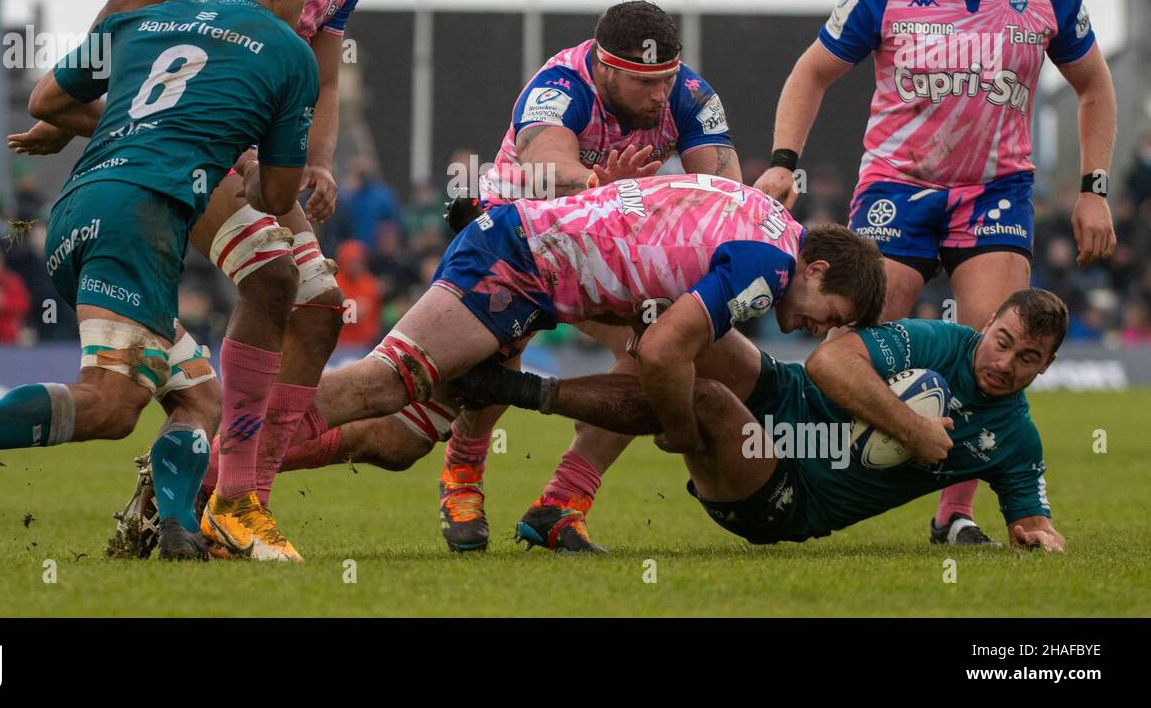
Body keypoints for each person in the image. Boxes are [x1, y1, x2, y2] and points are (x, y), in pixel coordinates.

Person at [7, 0, 398, 533]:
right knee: (279, 283)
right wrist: (83, 101)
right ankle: (230, 502)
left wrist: (317, 158)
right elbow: (129, 6)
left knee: (320, 309)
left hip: (244, 151)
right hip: (187, 147)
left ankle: (225, 494)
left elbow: (328, 81)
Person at [0, 0, 319, 562]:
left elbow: (46, 99)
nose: (305, 6)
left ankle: (174, 529)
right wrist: (249, 168)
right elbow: (279, 200)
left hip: (75, 210)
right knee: (112, 405)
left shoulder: (143, 21)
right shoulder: (290, 53)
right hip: (139, 222)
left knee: (200, 396)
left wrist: (125, 127)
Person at [752, 0, 1116, 545]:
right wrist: (782, 163)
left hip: (996, 189)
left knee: (994, 350)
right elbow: (812, 70)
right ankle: (801, 471)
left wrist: (1094, 188)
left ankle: (955, 512)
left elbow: (1095, 86)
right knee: (853, 338)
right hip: (897, 186)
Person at [242, 175, 885, 558]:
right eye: (834, 312)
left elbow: (655, 333)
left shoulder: (764, 220)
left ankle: (556, 507)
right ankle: (221, 472)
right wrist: (683, 436)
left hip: (538, 269)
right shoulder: (770, 269)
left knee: (396, 439)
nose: (821, 328)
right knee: (383, 385)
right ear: (818, 269)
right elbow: (666, 350)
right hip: (517, 260)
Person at [434, 0, 741, 552]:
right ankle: (461, 475)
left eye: (667, 80)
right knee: (482, 376)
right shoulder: (558, 86)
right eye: (644, 84)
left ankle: (561, 503)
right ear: (604, 68)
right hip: (522, 239)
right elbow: (545, 166)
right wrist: (600, 183)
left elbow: (727, 192)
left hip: (606, 249)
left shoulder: (691, 96)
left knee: (657, 351)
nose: (660, 96)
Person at [462, 289, 1068, 553]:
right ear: (987, 325)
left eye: (1027, 359)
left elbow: (1032, 519)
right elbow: (830, 363)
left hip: (787, 497)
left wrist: (1036, 535)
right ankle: (523, 296)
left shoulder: (1016, 438)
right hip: (787, 390)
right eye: (1003, 341)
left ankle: (511, 386)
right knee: (671, 325)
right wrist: (911, 430)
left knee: (704, 401)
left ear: (1047, 366)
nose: (1005, 363)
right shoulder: (939, 340)